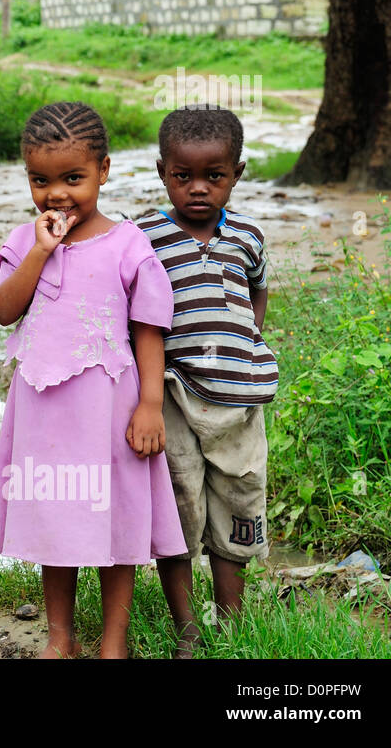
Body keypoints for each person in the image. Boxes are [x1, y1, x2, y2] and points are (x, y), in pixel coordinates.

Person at [0, 101, 186, 659]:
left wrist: (150, 404)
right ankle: (60, 637)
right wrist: (41, 249)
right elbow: (5, 310)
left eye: (73, 178)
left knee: (115, 523)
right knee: (57, 520)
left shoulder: (128, 244)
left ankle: (114, 641)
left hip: (108, 410)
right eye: (41, 180)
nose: (57, 194)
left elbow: (149, 331)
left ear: (103, 169)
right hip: (44, 410)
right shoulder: (24, 240)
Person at [137, 104, 278, 657]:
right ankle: (185, 625)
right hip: (171, 390)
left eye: (214, 176)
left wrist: (252, 337)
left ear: (237, 174)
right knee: (178, 500)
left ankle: (233, 621)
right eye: (182, 176)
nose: (198, 188)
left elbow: (258, 288)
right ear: (161, 171)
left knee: (239, 496)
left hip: (239, 400)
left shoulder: (247, 235)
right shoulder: (144, 235)